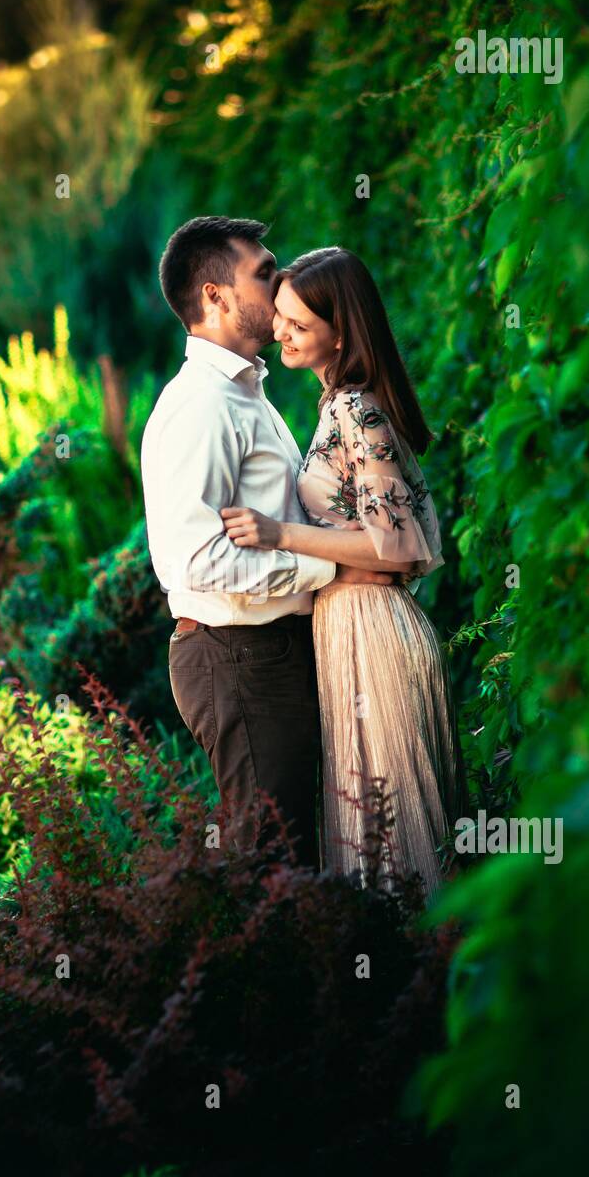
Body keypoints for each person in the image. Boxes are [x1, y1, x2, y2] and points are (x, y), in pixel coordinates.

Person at [140, 217, 403, 868]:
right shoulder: (200, 406)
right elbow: (195, 560)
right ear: (215, 297)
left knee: (302, 853)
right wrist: (328, 570)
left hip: (271, 652)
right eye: (263, 272)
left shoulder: (246, 395)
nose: (279, 282)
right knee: (274, 865)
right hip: (238, 657)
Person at [220, 246, 468, 897]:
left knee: (399, 854)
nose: (279, 332)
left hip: (374, 636)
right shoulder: (338, 405)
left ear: (342, 332)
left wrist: (279, 535)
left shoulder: (359, 409)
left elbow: (400, 545)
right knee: (371, 844)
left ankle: (435, 984)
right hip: (346, 632)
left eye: (298, 326)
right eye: (280, 317)